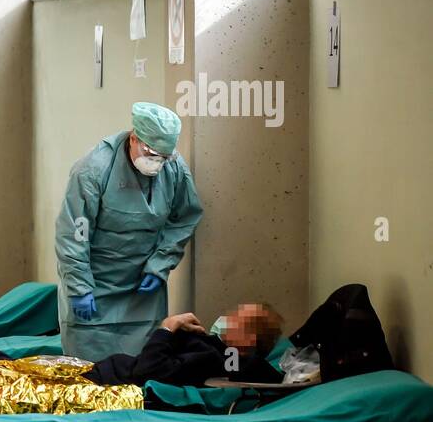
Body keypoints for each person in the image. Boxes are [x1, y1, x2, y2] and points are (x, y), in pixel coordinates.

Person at [54, 102, 203, 362]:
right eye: (151, 153)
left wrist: (160, 264)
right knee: (91, 374)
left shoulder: (174, 168)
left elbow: (184, 219)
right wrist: (79, 287)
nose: (157, 163)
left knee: (142, 367)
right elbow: (74, 234)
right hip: (95, 285)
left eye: (164, 157)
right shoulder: (94, 169)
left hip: (143, 290)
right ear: (134, 138)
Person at [83, 303, 284, 387]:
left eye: (234, 320)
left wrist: (167, 329)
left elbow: (147, 373)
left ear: (247, 340)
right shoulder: (212, 348)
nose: (225, 320)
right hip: (104, 371)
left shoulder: (211, 356)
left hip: (103, 380)